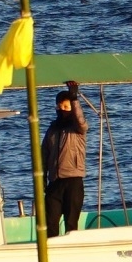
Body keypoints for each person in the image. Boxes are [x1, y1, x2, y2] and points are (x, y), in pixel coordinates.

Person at [41, 80, 88, 237]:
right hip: (54, 182)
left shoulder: (77, 128)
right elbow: (44, 155)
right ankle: (51, 251)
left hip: (73, 181)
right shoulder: (52, 129)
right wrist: (42, 177)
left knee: (71, 224)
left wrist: (74, 98)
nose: (62, 110)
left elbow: (81, 120)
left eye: (66, 107)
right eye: (60, 107)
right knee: (50, 222)